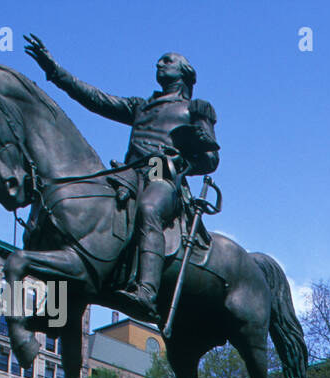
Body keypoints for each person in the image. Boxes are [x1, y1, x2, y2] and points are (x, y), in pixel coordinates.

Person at [24, 35, 220, 328]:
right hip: (128, 170)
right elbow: (96, 99)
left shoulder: (196, 109)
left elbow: (211, 160)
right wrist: (55, 71)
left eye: (168, 60)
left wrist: (183, 161)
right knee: (84, 210)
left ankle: (147, 292)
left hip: (161, 169)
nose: (159, 63)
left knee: (149, 209)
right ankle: (58, 304)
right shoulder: (141, 106)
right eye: (160, 60)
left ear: (184, 72)